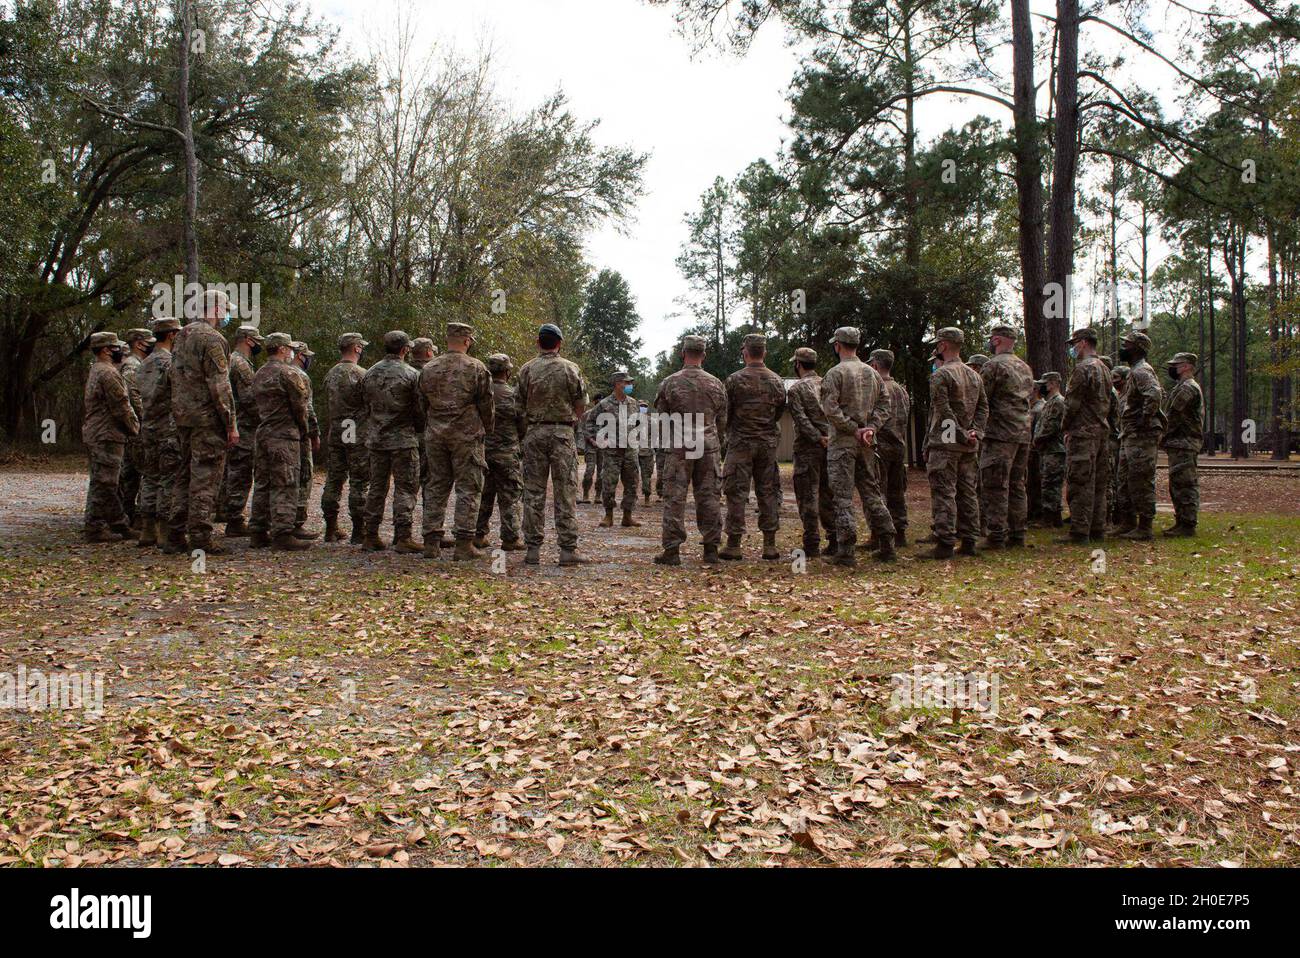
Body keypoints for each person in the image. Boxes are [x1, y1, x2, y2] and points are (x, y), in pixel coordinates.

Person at [169, 289, 238, 555]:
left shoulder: (182, 336)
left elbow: (172, 377)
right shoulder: (212, 339)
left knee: (184, 474)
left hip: (184, 417)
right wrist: (230, 424)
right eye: (226, 309)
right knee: (205, 478)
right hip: (207, 420)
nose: (227, 315)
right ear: (216, 309)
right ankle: (200, 538)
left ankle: (174, 534)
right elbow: (220, 385)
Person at [821, 327, 897, 565]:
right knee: (871, 493)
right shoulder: (872, 373)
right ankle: (887, 543)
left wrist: (853, 429)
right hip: (866, 444)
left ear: (837, 346)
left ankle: (846, 550)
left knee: (842, 497)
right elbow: (886, 404)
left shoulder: (835, 374)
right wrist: (871, 428)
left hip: (843, 444)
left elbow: (830, 410)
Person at [418, 322, 494, 560]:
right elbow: (486, 404)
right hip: (467, 436)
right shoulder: (476, 368)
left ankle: (431, 542)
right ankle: (463, 544)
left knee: (435, 486)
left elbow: (421, 404)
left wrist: (430, 425)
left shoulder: (429, 368)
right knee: (468, 488)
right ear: (467, 340)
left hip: (435, 435)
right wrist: (487, 429)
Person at [517, 323, 587, 566]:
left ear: (538, 342)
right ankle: (568, 550)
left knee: (533, 492)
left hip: (535, 432)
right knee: (565, 491)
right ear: (559, 343)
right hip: (562, 433)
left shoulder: (527, 369)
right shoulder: (570, 369)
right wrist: (570, 421)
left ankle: (532, 550)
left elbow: (520, 405)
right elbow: (580, 403)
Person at [653, 334, 727, 566]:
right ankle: (711, 549)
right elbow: (722, 420)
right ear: (703, 355)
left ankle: (672, 551)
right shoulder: (716, 384)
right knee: (709, 496)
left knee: (675, 497)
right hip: (708, 446)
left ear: (683, 354)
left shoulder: (669, 383)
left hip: (680, 445)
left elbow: (662, 419)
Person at [923, 327, 987, 559]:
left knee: (945, 493)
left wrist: (961, 433)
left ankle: (945, 542)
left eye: (937, 344)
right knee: (967, 492)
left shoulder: (941, 375)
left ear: (943, 346)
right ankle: (969, 541)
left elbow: (943, 410)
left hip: (946, 443)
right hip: (968, 445)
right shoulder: (974, 375)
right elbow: (982, 408)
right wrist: (975, 432)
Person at [721, 334, 786, 560]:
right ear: (764, 353)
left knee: (736, 492)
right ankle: (769, 545)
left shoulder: (734, 380)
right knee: (767, 492)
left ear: (745, 352)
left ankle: (734, 544)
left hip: (740, 442)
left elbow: (725, 413)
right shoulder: (777, 381)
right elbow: (778, 413)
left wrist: (731, 431)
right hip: (767, 444)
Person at [248, 333, 312, 552]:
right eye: (290, 349)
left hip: (263, 432)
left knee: (263, 482)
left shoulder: (259, 373)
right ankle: (282, 533)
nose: (292, 353)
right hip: (284, 434)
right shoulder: (289, 373)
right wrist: (304, 431)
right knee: (285, 482)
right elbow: (300, 406)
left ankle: (257, 530)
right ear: (283, 349)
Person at [361, 331, 424, 553]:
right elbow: (419, 409)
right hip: (403, 441)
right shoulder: (411, 374)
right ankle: (403, 537)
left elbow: (365, 405)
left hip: (376, 440)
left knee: (376, 488)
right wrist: (418, 428)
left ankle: (370, 535)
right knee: (405, 488)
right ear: (405, 349)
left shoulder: (369, 373)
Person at [978, 324, 1034, 549]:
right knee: (1017, 484)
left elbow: (982, 399)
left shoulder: (993, 366)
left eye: (992, 339)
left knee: (995, 485)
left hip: (1000, 434)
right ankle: (1018, 533)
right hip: (1022, 434)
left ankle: (996, 534)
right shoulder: (1024, 367)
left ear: (998, 340)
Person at [82, 332, 140, 542]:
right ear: (106, 349)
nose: (120, 351)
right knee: (107, 483)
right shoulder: (108, 373)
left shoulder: (97, 370)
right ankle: (118, 524)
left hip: (98, 433)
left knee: (99, 481)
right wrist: (135, 429)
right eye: (116, 347)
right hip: (107, 434)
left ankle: (95, 525)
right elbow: (122, 406)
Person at [1060, 327, 1111, 544]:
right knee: (1098, 484)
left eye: (1073, 344)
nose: (1072, 349)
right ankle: (1097, 529)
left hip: (1083, 433)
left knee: (1080, 482)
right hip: (1101, 433)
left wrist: (1065, 427)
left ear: (1083, 343)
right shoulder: (1104, 368)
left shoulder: (1083, 369)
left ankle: (1080, 531)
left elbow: (1072, 403)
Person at [1115, 330, 1166, 541]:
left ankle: (1145, 526)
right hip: (1129, 435)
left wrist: (1144, 421)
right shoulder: (1134, 371)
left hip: (1141, 437)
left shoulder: (1141, 371)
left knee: (1141, 480)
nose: (1123, 348)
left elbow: (1154, 393)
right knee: (1124, 479)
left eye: (1127, 345)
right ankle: (1128, 523)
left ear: (1137, 348)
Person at [321, 332, 370, 543]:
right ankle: (359, 531)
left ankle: (330, 528)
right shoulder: (361, 374)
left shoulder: (330, 374)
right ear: (357, 348)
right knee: (359, 481)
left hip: (336, 430)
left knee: (334, 480)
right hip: (355, 431)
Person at [136, 318, 181, 549]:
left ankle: (146, 529)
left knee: (150, 477)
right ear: (172, 335)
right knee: (168, 479)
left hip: (148, 427)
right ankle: (164, 531)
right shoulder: (170, 363)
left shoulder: (143, 363)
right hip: (168, 429)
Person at [786, 346, 835, 558]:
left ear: (798, 364)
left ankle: (812, 542)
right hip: (833, 445)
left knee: (808, 496)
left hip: (808, 449)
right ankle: (834, 539)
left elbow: (801, 419)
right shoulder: (829, 383)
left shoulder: (796, 390)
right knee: (828, 494)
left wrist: (817, 438)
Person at [475, 353, 525, 551]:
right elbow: (523, 424)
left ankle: (478, 534)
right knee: (511, 496)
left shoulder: (480, 395)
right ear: (508, 371)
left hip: (482, 451)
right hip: (507, 453)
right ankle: (510, 538)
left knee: (483, 494)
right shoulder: (513, 395)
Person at [218, 325, 262, 537]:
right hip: (243, 427)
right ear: (248, 340)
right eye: (257, 340)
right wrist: (264, 420)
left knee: (229, 471)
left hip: (233, 424)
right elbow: (249, 400)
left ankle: (224, 511)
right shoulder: (241, 364)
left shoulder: (229, 359)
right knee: (241, 473)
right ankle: (234, 519)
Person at [868, 348, 911, 548]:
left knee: (878, 492)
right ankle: (900, 532)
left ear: (875, 365)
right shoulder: (901, 390)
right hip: (899, 446)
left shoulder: (876, 389)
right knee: (897, 492)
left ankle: (879, 535)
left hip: (881, 448)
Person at [589, 372, 643, 528]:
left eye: (630, 382)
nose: (629, 385)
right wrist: (597, 440)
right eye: (626, 382)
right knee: (609, 483)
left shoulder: (634, 403)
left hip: (630, 450)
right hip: (612, 451)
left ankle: (627, 516)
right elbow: (590, 422)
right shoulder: (604, 404)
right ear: (617, 384)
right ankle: (608, 516)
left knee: (632, 483)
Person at [1161, 352, 1203, 537]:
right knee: (1177, 483)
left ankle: (1187, 524)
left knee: (1185, 483)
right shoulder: (1182, 386)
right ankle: (1182, 521)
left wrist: (1160, 434)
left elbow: (1173, 415)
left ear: (1186, 366)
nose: (1173, 368)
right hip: (1179, 442)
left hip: (1185, 442)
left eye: (1176, 365)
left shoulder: (1188, 388)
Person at [117, 328, 153, 528]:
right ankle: (134, 514)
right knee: (138, 472)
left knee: (131, 474)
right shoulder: (132, 366)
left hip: (135, 427)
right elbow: (134, 398)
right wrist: (145, 419)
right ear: (139, 344)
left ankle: (128, 514)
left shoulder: (139, 364)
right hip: (137, 428)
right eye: (149, 342)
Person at [289, 341, 321, 540]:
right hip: (299, 434)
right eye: (306, 355)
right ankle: (296, 522)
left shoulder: (272, 371)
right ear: (300, 355)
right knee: (304, 475)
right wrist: (313, 433)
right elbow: (307, 409)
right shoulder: (300, 375)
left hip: (276, 433)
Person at [1033, 373, 1066, 528]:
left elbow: (1052, 427)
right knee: (1049, 483)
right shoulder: (1050, 402)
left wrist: (1037, 439)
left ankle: (1049, 519)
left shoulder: (1058, 402)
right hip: (1048, 449)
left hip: (1054, 450)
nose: (1042, 387)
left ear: (1053, 383)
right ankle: (1054, 518)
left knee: (1050, 484)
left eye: (1044, 383)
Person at [1108, 365, 1131, 530]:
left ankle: (1121, 516)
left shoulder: (1127, 396)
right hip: (1119, 440)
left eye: (1117, 378)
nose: (1114, 382)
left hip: (1120, 440)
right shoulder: (1119, 396)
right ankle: (1120, 516)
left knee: (1117, 480)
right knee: (1118, 479)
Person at [1027, 380, 1045, 525]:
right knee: (1030, 483)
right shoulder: (1030, 408)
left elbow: (1038, 432)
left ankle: (1038, 513)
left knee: (1037, 482)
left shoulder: (1039, 409)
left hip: (1037, 451)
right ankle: (1032, 512)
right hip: (1029, 451)